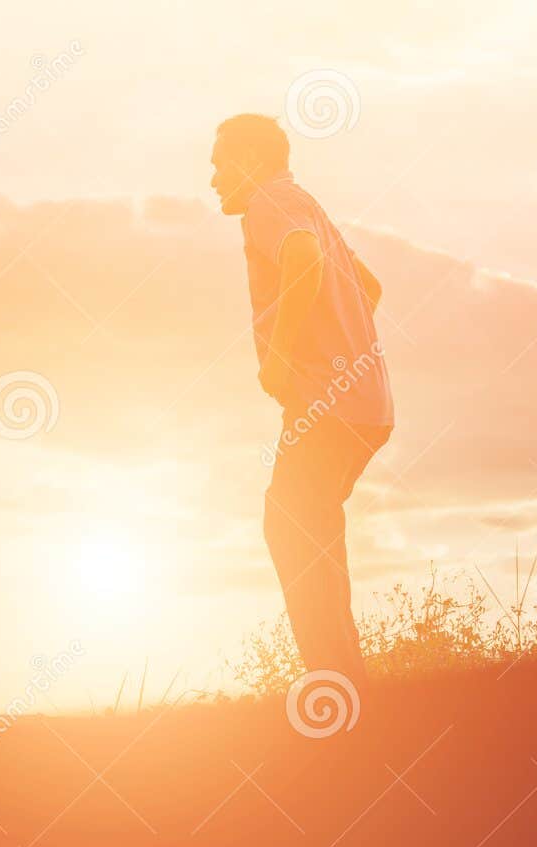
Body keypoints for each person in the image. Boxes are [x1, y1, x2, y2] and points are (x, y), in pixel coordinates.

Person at [210, 113, 394, 688]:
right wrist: (340, 342)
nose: (213, 180)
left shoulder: (271, 201)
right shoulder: (305, 204)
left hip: (326, 406)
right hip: (365, 406)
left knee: (290, 526)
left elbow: (303, 259)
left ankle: (337, 684)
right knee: (310, 530)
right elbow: (369, 288)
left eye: (219, 165)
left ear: (250, 160)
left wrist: (283, 356)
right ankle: (344, 680)